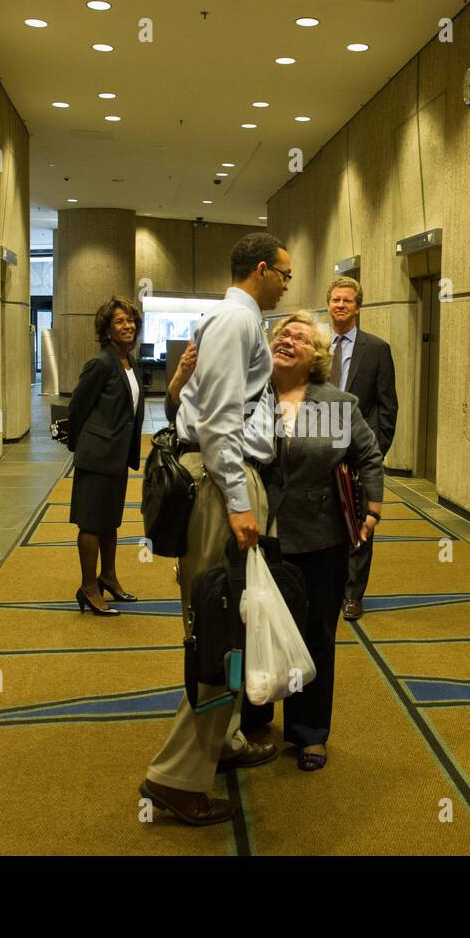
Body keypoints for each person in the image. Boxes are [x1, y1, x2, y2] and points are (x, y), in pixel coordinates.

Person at [139, 233, 292, 826]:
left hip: (220, 479)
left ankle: (223, 739)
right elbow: (223, 423)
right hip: (223, 485)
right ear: (261, 270)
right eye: (283, 273)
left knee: (235, 620)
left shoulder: (225, 320)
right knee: (222, 624)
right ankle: (174, 777)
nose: (286, 282)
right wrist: (236, 500)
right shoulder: (236, 320)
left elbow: (190, 406)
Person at [241, 311, 384, 770]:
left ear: (317, 356)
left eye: (299, 338)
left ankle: (309, 731)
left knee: (315, 634)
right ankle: (255, 713)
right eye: (282, 334)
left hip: (321, 539)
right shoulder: (251, 396)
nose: (287, 341)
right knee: (254, 626)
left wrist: (373, 511)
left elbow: (368, 457)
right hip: (257, 536)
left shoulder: (335, 404)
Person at [67, 297, 146, 616]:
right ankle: (88, 587)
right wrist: (83, 448)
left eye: (131, 321)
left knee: (110, 521)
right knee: (90, 523)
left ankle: (108, 576)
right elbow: (77, 409)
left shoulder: (130, 362)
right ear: (106, 329)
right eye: (119, 321)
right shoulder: (101, 363)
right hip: (97, 456)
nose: (128, 326)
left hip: (117, 455)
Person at [324, 276, 398, 620]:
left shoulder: (377, 349)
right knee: (324, 519)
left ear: (358, 307)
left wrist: (376, 451)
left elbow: (388, 405)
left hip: (359, 451)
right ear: (328, 305)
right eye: (336, 300)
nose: (341, 305)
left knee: (361, 522)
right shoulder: (315, 346)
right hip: (318, 448)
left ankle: (353, 595)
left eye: (347, 301)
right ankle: (329, 585)